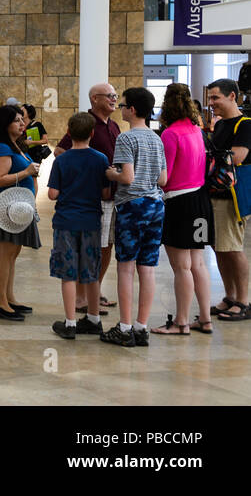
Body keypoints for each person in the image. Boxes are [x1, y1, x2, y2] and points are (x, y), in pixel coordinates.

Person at [98, 87, 167, 347]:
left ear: (133, 109)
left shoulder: (126, 139)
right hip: (155, 206)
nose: (120, 108)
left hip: (132, 205)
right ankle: (141, 327)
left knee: (126, 267)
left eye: (123, 104)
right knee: (147, 267)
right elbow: (163, 179)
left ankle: (124, 328)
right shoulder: (157, 138)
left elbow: (126, 177)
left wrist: (110, 174)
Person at [151, 83, 213, 335]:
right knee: (197, 264)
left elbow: (164, 178)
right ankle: (205, 319)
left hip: (179, 202)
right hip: (200, 200)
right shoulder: (197, 131)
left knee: (181, 267)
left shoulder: (170, 134)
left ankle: (181, 322)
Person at [54, 82, 121, 314]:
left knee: (106, 246)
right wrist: (85, 172)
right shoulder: (86, 122)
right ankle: (82, 297)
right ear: (95, 99)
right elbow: (60, 150)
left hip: (112, 195)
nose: (114, 99)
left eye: (115, 95)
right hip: (95, 199)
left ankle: (95, 290)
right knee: (93, 247)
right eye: (109, 96)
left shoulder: (113, 126)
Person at [46, 112, 108, 338]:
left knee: (68, 273)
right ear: (92, 133)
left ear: (69, 133)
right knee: (91, 272)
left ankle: (70, 323)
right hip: (91, 221)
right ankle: (94, 319)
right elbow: (105, 191)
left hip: (66, 222)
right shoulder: (101, 159)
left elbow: (53, 194)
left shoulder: (62, 160)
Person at [204, 78, 251, 321]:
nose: (211, 103)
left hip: (232, 196)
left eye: (216, 98)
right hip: (215, 193)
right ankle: (230, 296)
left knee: (232, 248)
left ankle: (244, 301)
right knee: (219, 247)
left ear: (232, 96)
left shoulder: (246, 124)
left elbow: (238, 157)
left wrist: (208, 160)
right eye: (210, 98)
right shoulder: (221, 125)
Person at [0, 103, 41, 321]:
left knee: (13, 254)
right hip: (7, 208)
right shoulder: (2, 147)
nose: (22, 123)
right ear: (5, 124)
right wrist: (27, 172)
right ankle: (1, 303)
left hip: (20, 207)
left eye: (23, 120)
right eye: (17, 120)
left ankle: (10, 298)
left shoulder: (16, 145)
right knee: (6, 253)